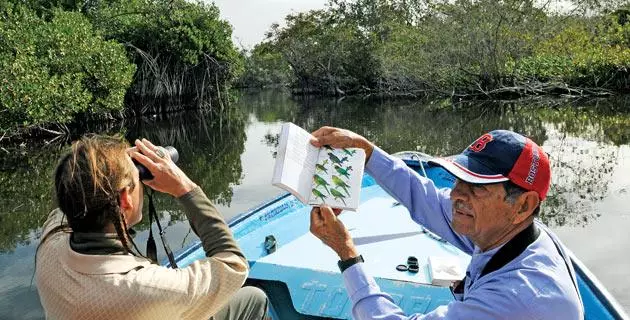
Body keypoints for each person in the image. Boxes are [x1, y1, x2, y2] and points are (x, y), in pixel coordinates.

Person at [308, 127, 584, 320]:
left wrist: (347, 254)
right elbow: (424, 198)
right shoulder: (512, 233)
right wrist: (368, 152)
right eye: (459, 180)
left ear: (524, 205)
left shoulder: (515, 299)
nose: (456, 195)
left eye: (477, 187)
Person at [35, 135, 267, 320]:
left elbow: (74, 196)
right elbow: (233, 265)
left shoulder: (50, 243)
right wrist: (184, 188)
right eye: (137, 181)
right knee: (254, 298)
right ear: (125, 199)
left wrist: (113, 166)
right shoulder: (147, 288)